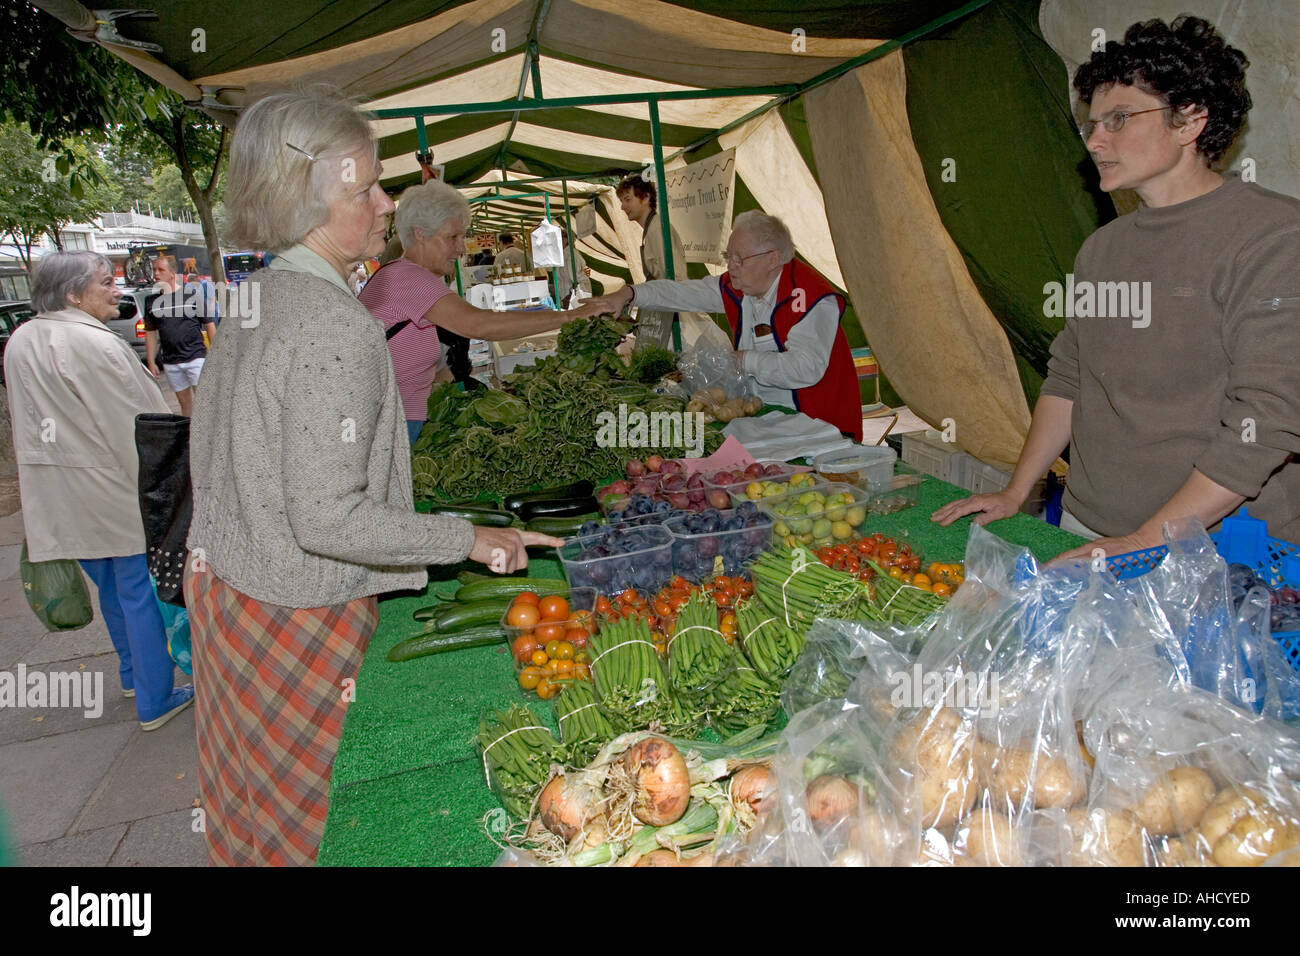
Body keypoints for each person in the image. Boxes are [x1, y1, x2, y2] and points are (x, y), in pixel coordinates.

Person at [183, 88, 562, 866]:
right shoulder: (332, 323)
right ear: (310, 200)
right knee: (308, 818)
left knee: (249, 802)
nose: (387, 205)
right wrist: (470, 537)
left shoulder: (259, 293)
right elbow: (327, 517)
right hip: (293, 601)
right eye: (367, 190)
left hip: (230, 582)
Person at [933, 16, 1300, 561]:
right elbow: (1068, 378)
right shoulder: (1103, 248)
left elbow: (1268, 421)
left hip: (1215, 550)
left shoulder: (1273, 236)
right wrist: (1019, 489)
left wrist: (1143, 539)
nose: (1096, 141)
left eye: (1119, 119)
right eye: (1092, 125)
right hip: (1090, 529)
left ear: (1190, 120)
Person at [4, 251, 193, 730]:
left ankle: (133, 674)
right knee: (140, 594)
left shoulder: (23, 338)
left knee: (113, 591)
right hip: (111, 488)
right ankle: (155, 697)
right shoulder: (93, 343)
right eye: (107, 282)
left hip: (60, 491)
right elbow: (137, 425)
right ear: (72, 293)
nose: (118, 290)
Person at [581, 210, 863, 441]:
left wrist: (745, 360)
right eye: (729, 258)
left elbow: (806, 368)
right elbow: (680, 293)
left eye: (740, 259)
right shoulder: (738, 287)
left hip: (820, 427)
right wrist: (630, 294)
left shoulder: (812, 297)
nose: (732, 267)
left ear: (773, 259)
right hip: (768, 419)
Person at [360, 179, 585, 444]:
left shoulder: (401, 275)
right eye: (452, 237)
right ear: (420, 233)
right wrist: (570, 316)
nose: (462, 248)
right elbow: (480, 325)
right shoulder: (408, 278)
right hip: (395, 428)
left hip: (399, 420)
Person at [615, 173, 689, 349]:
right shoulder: (651, 229)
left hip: (672, 317)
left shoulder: (658, 230)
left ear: (646, 197)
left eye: (627, 199)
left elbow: (674, 279)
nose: (622, 207)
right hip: (664, 310)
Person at [144, 254, 216, 417]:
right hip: (171, 362)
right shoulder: (151, 301)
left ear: (172, 274)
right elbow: (150, 332)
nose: (155, 274)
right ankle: (189, 438)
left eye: (160, 270)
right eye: (154, 270)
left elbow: (209, 324)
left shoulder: (192, 296)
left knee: (205, 401)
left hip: (196, 357)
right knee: (185, 405)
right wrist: (150, 360)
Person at [554, 227, 592, 307]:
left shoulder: (569, 255)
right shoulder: (566, 254)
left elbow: (574, 277)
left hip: (571, 293)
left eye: (562, 238)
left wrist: (584, 274)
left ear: (567, 240)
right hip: (568, 293)